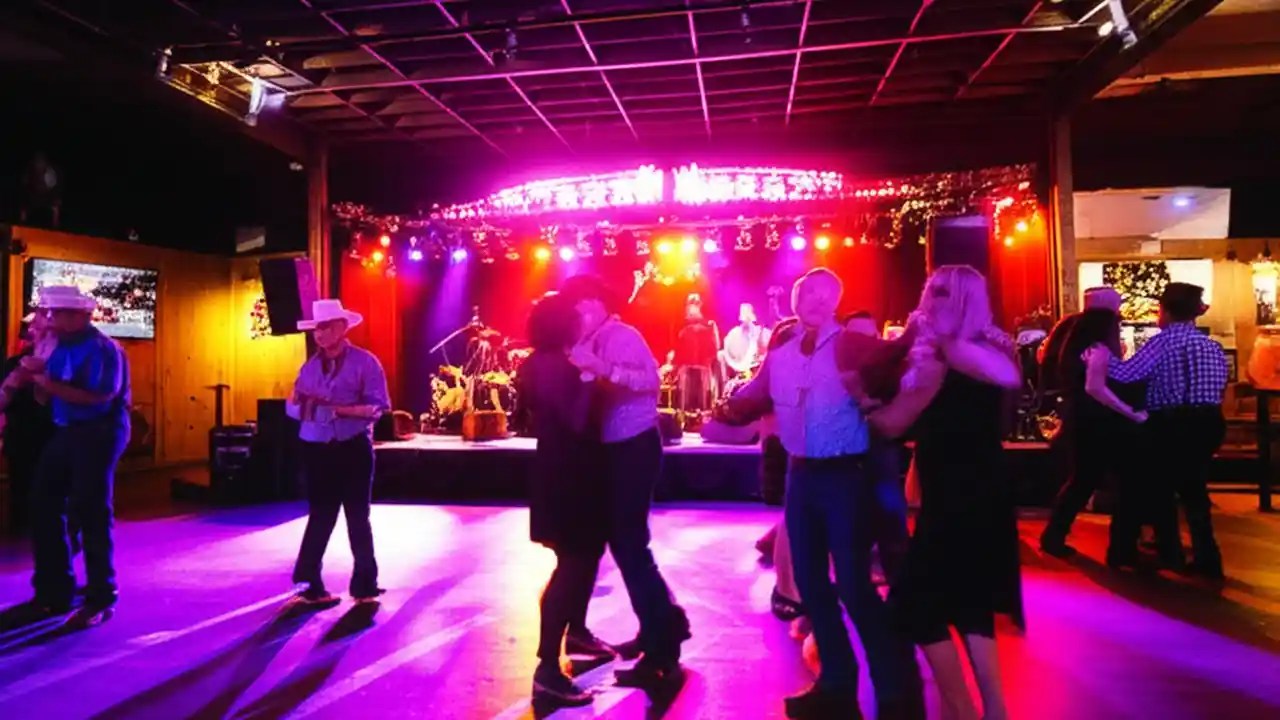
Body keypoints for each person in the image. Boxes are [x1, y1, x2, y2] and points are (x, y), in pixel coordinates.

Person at [723, 269, 919, 719]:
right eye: (807, 292)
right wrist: (730, 408)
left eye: (825, 293)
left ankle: (895, 693)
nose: (815, 299)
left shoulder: (851, 345)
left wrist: (918, 332)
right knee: (810, 584)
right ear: (795, 300)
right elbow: (754, 395)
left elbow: (899, 362)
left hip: (844, 475)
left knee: (853, 584)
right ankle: (837, 683)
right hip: (801, 474)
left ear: (836, 301)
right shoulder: (781, 353)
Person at [871, 265, 1024, 720]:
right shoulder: (984, 349)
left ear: (961, 300)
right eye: (931, 291)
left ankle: (961, 709)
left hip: (962, 490)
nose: (931, 300)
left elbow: (895, 423)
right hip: (974, 484)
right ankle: (991, 710)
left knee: (914, 605)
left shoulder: (950, 353)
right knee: (970, 600)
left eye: (941, 293)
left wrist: (855, 408)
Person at [560, 274, 690, 687]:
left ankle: (662, 645)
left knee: (630, 544)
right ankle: (661, 626)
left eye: (584, 302)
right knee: (626, 543)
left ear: (600, 305)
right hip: (615, 449)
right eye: (574, 304)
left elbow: (650, 381)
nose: (578, 310)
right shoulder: (587, 341)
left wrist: (601, 368)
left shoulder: (621, 336)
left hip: (634, 444)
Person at [1089, 282, 1229, 577]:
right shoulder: (1212, 346)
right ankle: (1208, 558)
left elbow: (1127, 374)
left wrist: (1100, 354)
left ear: (1165, 311)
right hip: (1209, 423)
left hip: (1172, 423)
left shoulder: (1162, 343)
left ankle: (1169, 553)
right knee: (1195, 491)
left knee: (1159, 489)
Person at [517, 292, 613, 708]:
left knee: (577, 562)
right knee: (573, 567)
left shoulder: (533, 363)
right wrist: (592, 380)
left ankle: (574, 635)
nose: (581, 322)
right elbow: (576, 420)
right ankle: (547, 669)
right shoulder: (559, 365)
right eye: (575, 317)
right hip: (572, 475)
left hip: (555, 471)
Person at [27, 286, 131, 627]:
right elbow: (44, 398)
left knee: (92, 509)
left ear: (80, 316)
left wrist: (46, 383)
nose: (52, 319)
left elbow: (100, 397)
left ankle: (102, 595)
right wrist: (37, 379)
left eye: (58, 314)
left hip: (100, 430)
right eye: (52, 313)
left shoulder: (103, 348)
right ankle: (55, 589)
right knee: (44, 503)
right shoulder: (55, 344)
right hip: (69, 428)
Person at [287, 299, 390, 605]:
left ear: (343, 328)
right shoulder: (309, 367)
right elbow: (294, 405)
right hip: (317, 447)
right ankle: (308, 581)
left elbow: (377, 408)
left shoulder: (365, 362)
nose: (320, 334)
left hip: (352, 446)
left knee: (357, 516)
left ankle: (365, 584)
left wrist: (335, 410)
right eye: (317, 329)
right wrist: (314, 409)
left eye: (326, 327)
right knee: (321, 514)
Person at [1040, 299, 1147, 558]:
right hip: (1098, 422)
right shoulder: (1098, 350)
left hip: (1082, 420)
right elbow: (1095, 388)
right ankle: (1121, 547)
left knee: (1082, 480)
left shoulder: (1075, 351)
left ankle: (1055, 536)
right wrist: (1130, 412)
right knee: (1118, 482)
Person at [0, 312, 57, 537]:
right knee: (22, 503)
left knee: (53, 506)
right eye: (34, 327)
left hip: (56, 442)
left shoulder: (65, 362)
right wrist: (13, 383)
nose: (34, 331)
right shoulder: (15, 364)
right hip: (20, 442)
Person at [722, 303, 770, 377]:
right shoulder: (734, 334)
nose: (746, 322)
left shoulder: (763, 333)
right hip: (743, 370)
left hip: (758, 370)